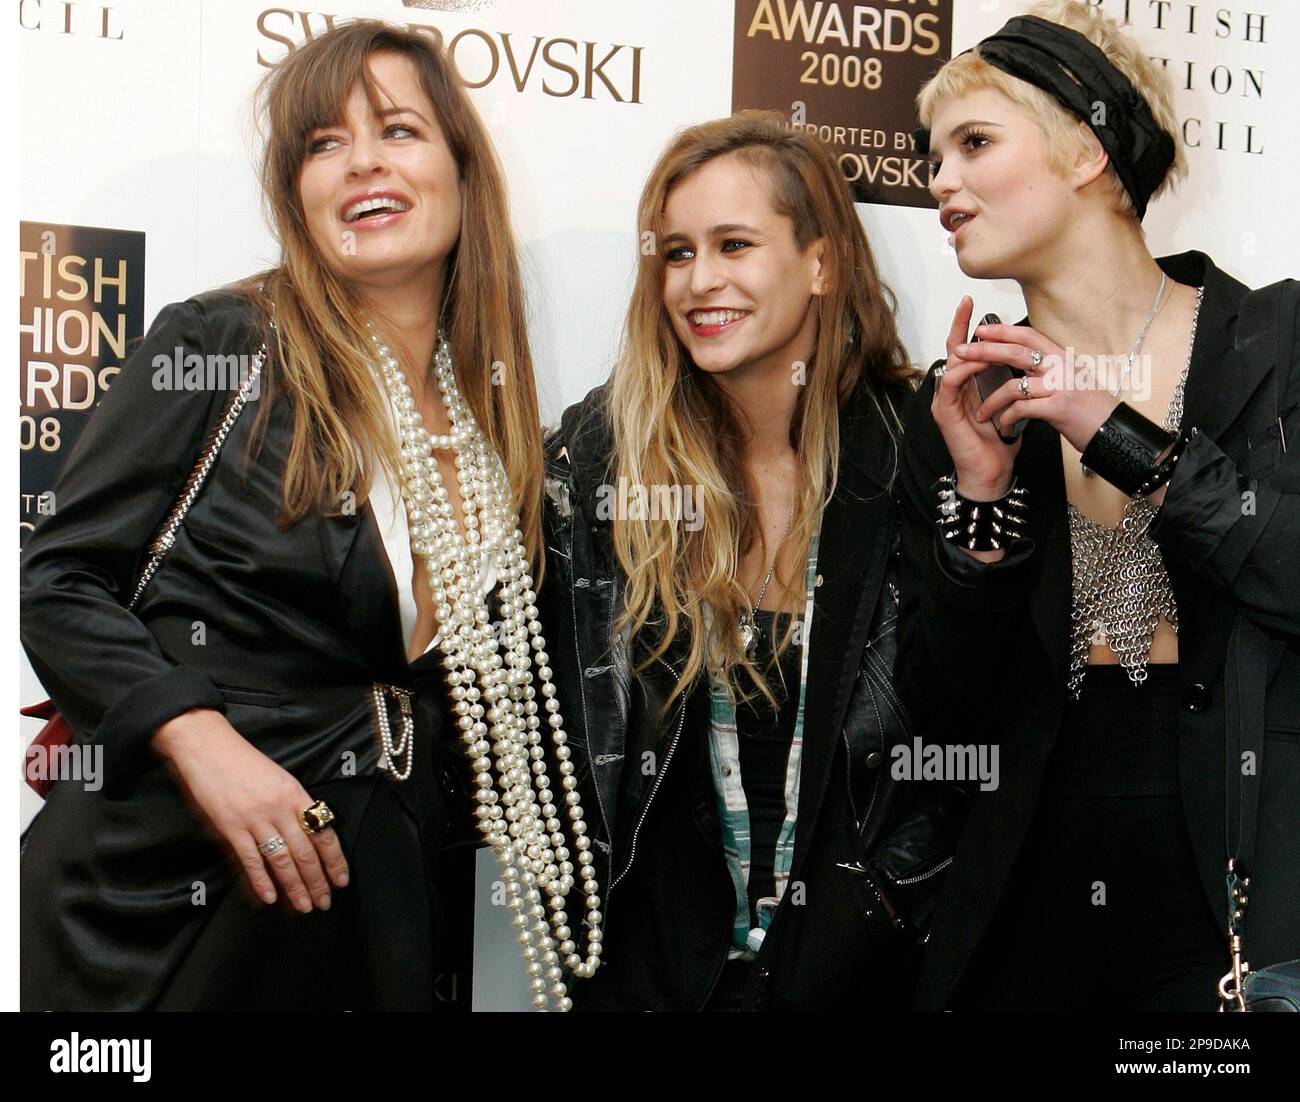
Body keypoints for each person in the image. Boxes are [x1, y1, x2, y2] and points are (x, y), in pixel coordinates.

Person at [20, 19, 598, 1011]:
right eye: (322, 143)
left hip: (371, 918)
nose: (360, 162)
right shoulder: (219, 343)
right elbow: (61, 583)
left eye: (399, 131)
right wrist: (202, 744)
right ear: (297, 190)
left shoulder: (499, 428)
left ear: (463, 169)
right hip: (169, 904)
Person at [898, 0, 1300, 1011]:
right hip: (1025, 865)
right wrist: (980, 503)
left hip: (1237, 863)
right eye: (930, 155)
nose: (938, 181)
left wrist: (1117, 435)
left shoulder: (1276, 341)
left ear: (1084, 150)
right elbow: (942, 701)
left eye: (973, 143)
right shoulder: (964, 398)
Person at [539, 111, 970, 1011]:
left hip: (864, 978)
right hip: (656, 980)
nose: (700, 281)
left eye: (734, 244)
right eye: (677, 252)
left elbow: (972, 706)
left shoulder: (916, 448)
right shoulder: (603, 457)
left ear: (820, 263)